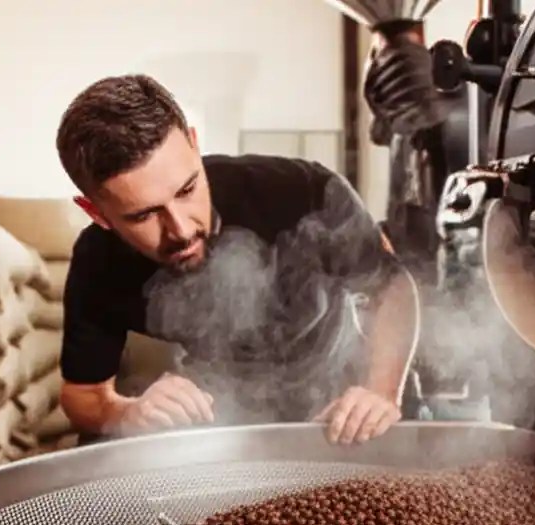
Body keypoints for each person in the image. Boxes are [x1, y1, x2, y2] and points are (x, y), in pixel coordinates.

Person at [54, 74, 420, 445]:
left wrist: (381, 392)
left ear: (194, 144)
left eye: (187, 189)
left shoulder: (297, 189)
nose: (181, 229)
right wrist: (128, 413)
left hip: (344, 402)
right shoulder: (99, 260)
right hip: (226, 416)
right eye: (144, 215)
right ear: (97, 213)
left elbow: (391, 287)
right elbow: (83, 394)